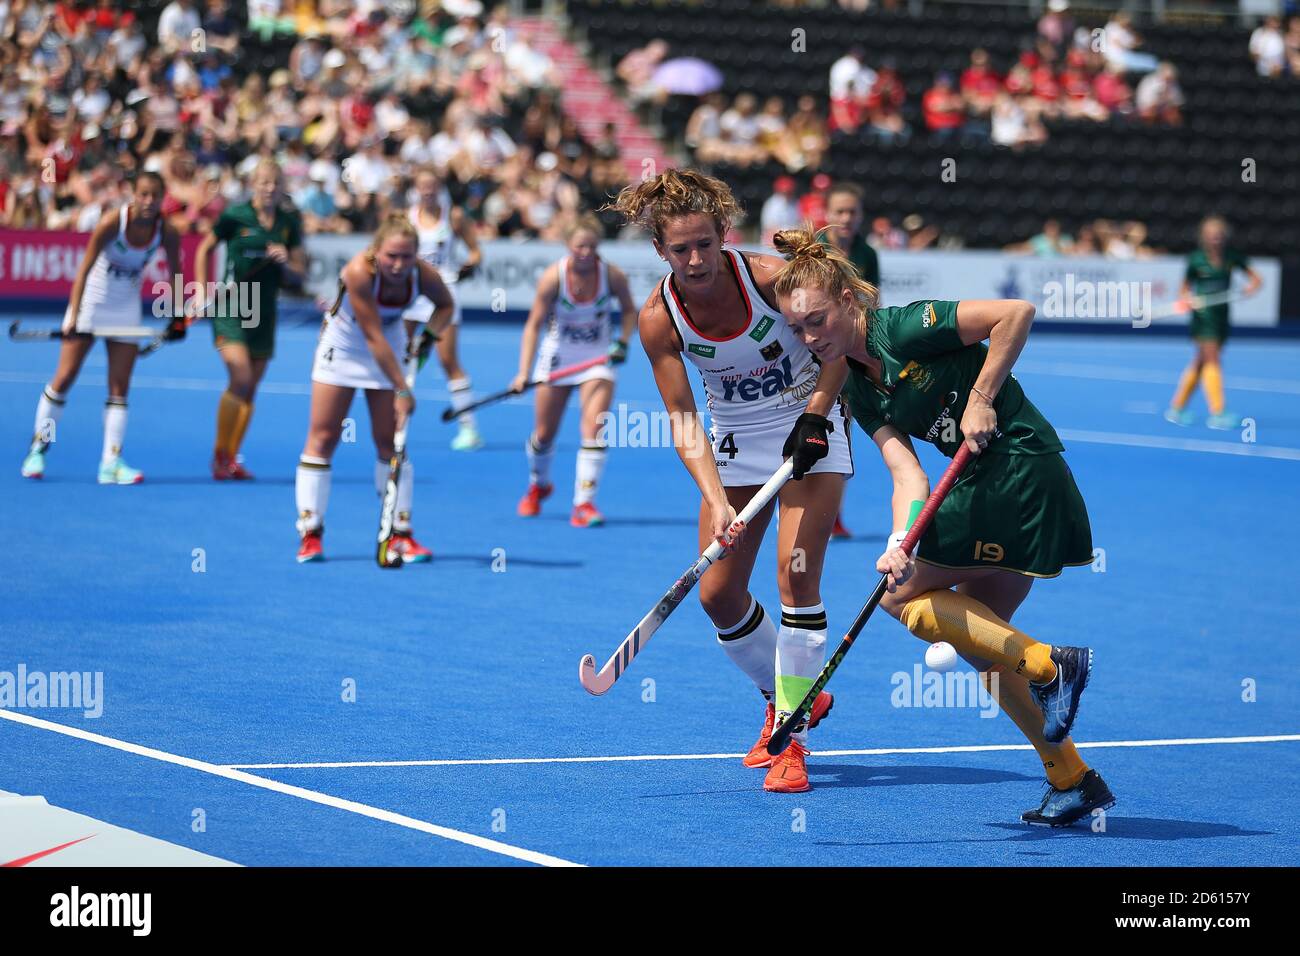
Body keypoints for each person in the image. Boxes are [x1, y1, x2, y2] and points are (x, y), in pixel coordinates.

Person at [772, 227, 1113, 826]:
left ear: (850, 302)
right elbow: (907, 478)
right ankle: (1072, 777)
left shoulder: (905, 327)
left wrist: (982, 396)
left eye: (817, 321)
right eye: (797, 329)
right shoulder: (858, 386)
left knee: (902, 601)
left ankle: (1053, 666)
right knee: (983, 646)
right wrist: (898, 543)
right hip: (999, 487)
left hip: (1017, 469)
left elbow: (1015, 313)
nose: (808, 337)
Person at [608, 170, 853, 794]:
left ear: (724, 236)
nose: (694, 260)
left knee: (796, 576)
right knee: (717, 594)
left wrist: (816, 415)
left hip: (809, 428)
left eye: (704, 245)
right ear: (660, 252)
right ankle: (789, 694)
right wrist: (715, 499)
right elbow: (683, 420)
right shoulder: (659, 320)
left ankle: (787, 740)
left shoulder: (771, 282)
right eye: (679, 249)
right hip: (737, 445)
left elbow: (839, 346)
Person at [295, 214, 455, 563]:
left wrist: (429, 336)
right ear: (375, 251)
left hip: (390, 348)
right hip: (345, 347)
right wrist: (402, 389)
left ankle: (401, 533)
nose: (398, 265)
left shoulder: (424, 275)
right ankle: (311, 531)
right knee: (323, 437)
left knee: (390, 442)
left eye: (406, 256)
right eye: (391, 256)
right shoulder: (358, 272)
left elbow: (446, 306)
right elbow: (371, 336)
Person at [21, 172, 185, 484]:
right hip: (93, 301)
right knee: (64, 379)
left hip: (126, 307)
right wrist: (72, 316)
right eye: (143, 194)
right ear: (133, 194)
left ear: (163, 198)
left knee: (119, 388)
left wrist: (176, 316)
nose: (149, 202)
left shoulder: (167, 230)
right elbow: (83, 270)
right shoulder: (113, 222)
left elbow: (175, 272)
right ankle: (39, 447)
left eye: (155, 196)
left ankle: (111, 462)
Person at [510, 215, 638, 527]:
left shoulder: (612, 275)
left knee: (593, 429)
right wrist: (523, 372)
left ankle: (584, 503)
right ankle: (538, 484)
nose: (586, 252)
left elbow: (631, 311)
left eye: (592, 247)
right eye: (580, 246)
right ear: (568, 245)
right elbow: (533, 325)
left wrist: (622, 341)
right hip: (558, 359)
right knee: (544, 434)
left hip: (597, 362)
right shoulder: (554, 277)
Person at [194, 159, 306, 479]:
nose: (270, 188)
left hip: (265, 310)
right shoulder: (235, 216)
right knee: (240, 377)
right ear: (253, 184)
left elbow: (299, 274)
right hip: (233, 305)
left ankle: (231, 458)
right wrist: (203, 291)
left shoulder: (288, 223)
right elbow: (204, 249)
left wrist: (286, 263)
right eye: (264, 182)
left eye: (275, 183)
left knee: (251, 388)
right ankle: (220, 455)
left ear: (283, 186)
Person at [402, 167, 485, 451]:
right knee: (404, 356)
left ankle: (469, 429)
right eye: (422, 186)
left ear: (439, 188)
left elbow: (475, 250)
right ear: (415, 188)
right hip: (412, 293)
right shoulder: (405, 219)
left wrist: (468, 266)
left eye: (432, 186)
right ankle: (396, 421)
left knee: (448, 360)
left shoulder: (454, 216)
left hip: (444, 294)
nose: (427, 191)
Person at [821, 181, 879, 541]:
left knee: (841, 434)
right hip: (813, 354)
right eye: (839, 211)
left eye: (852, 212)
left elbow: (871, 301)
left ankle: (833, 514)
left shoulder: (867, 253)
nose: (846, 218)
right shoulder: (813, 249)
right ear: (827, 214)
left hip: (849, 353)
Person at [1164, 216, 1262, 429]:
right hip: (1203, 317)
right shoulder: (1196, 260)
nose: (1215, 240)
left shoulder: (1232, 257)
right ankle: (1218, 412)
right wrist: (1189, 299)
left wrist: (1249, 289)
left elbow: (1256, 279)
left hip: (1221, 315)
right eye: (1211, 237)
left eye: (1218, 237)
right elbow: (1184, 289)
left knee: (1200, 363)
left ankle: (1176, 408)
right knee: (1212, 360)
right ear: (1204, 238)